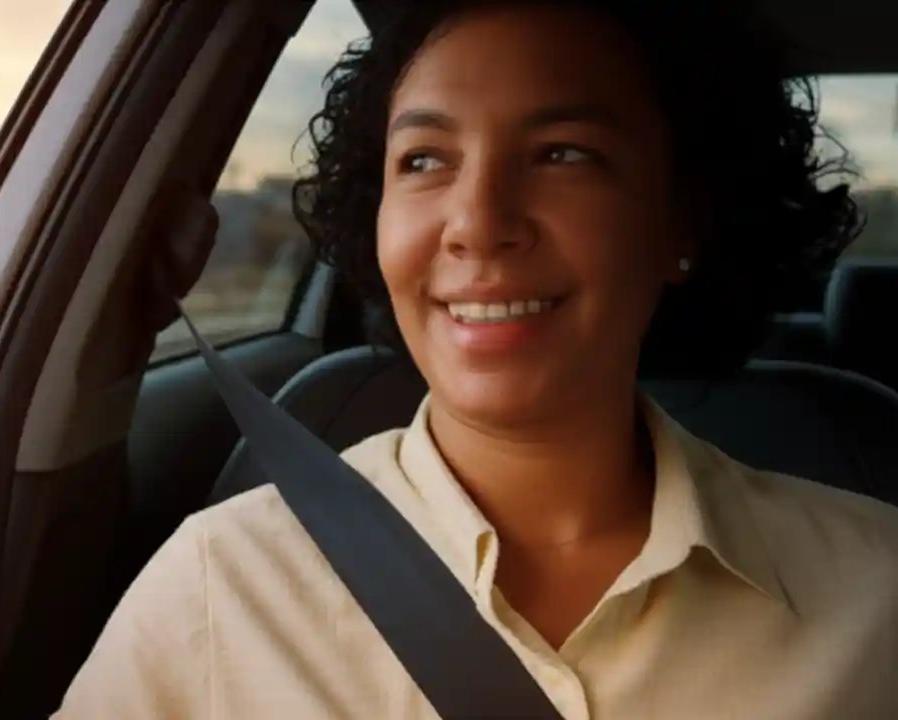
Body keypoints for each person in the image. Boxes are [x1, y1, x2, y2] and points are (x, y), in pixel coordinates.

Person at [55, 1, 898, 717]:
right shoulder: (220, 586)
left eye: (563, 153)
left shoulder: (877, 591)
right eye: (424, 160)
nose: (478, 222)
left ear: (682, 219)